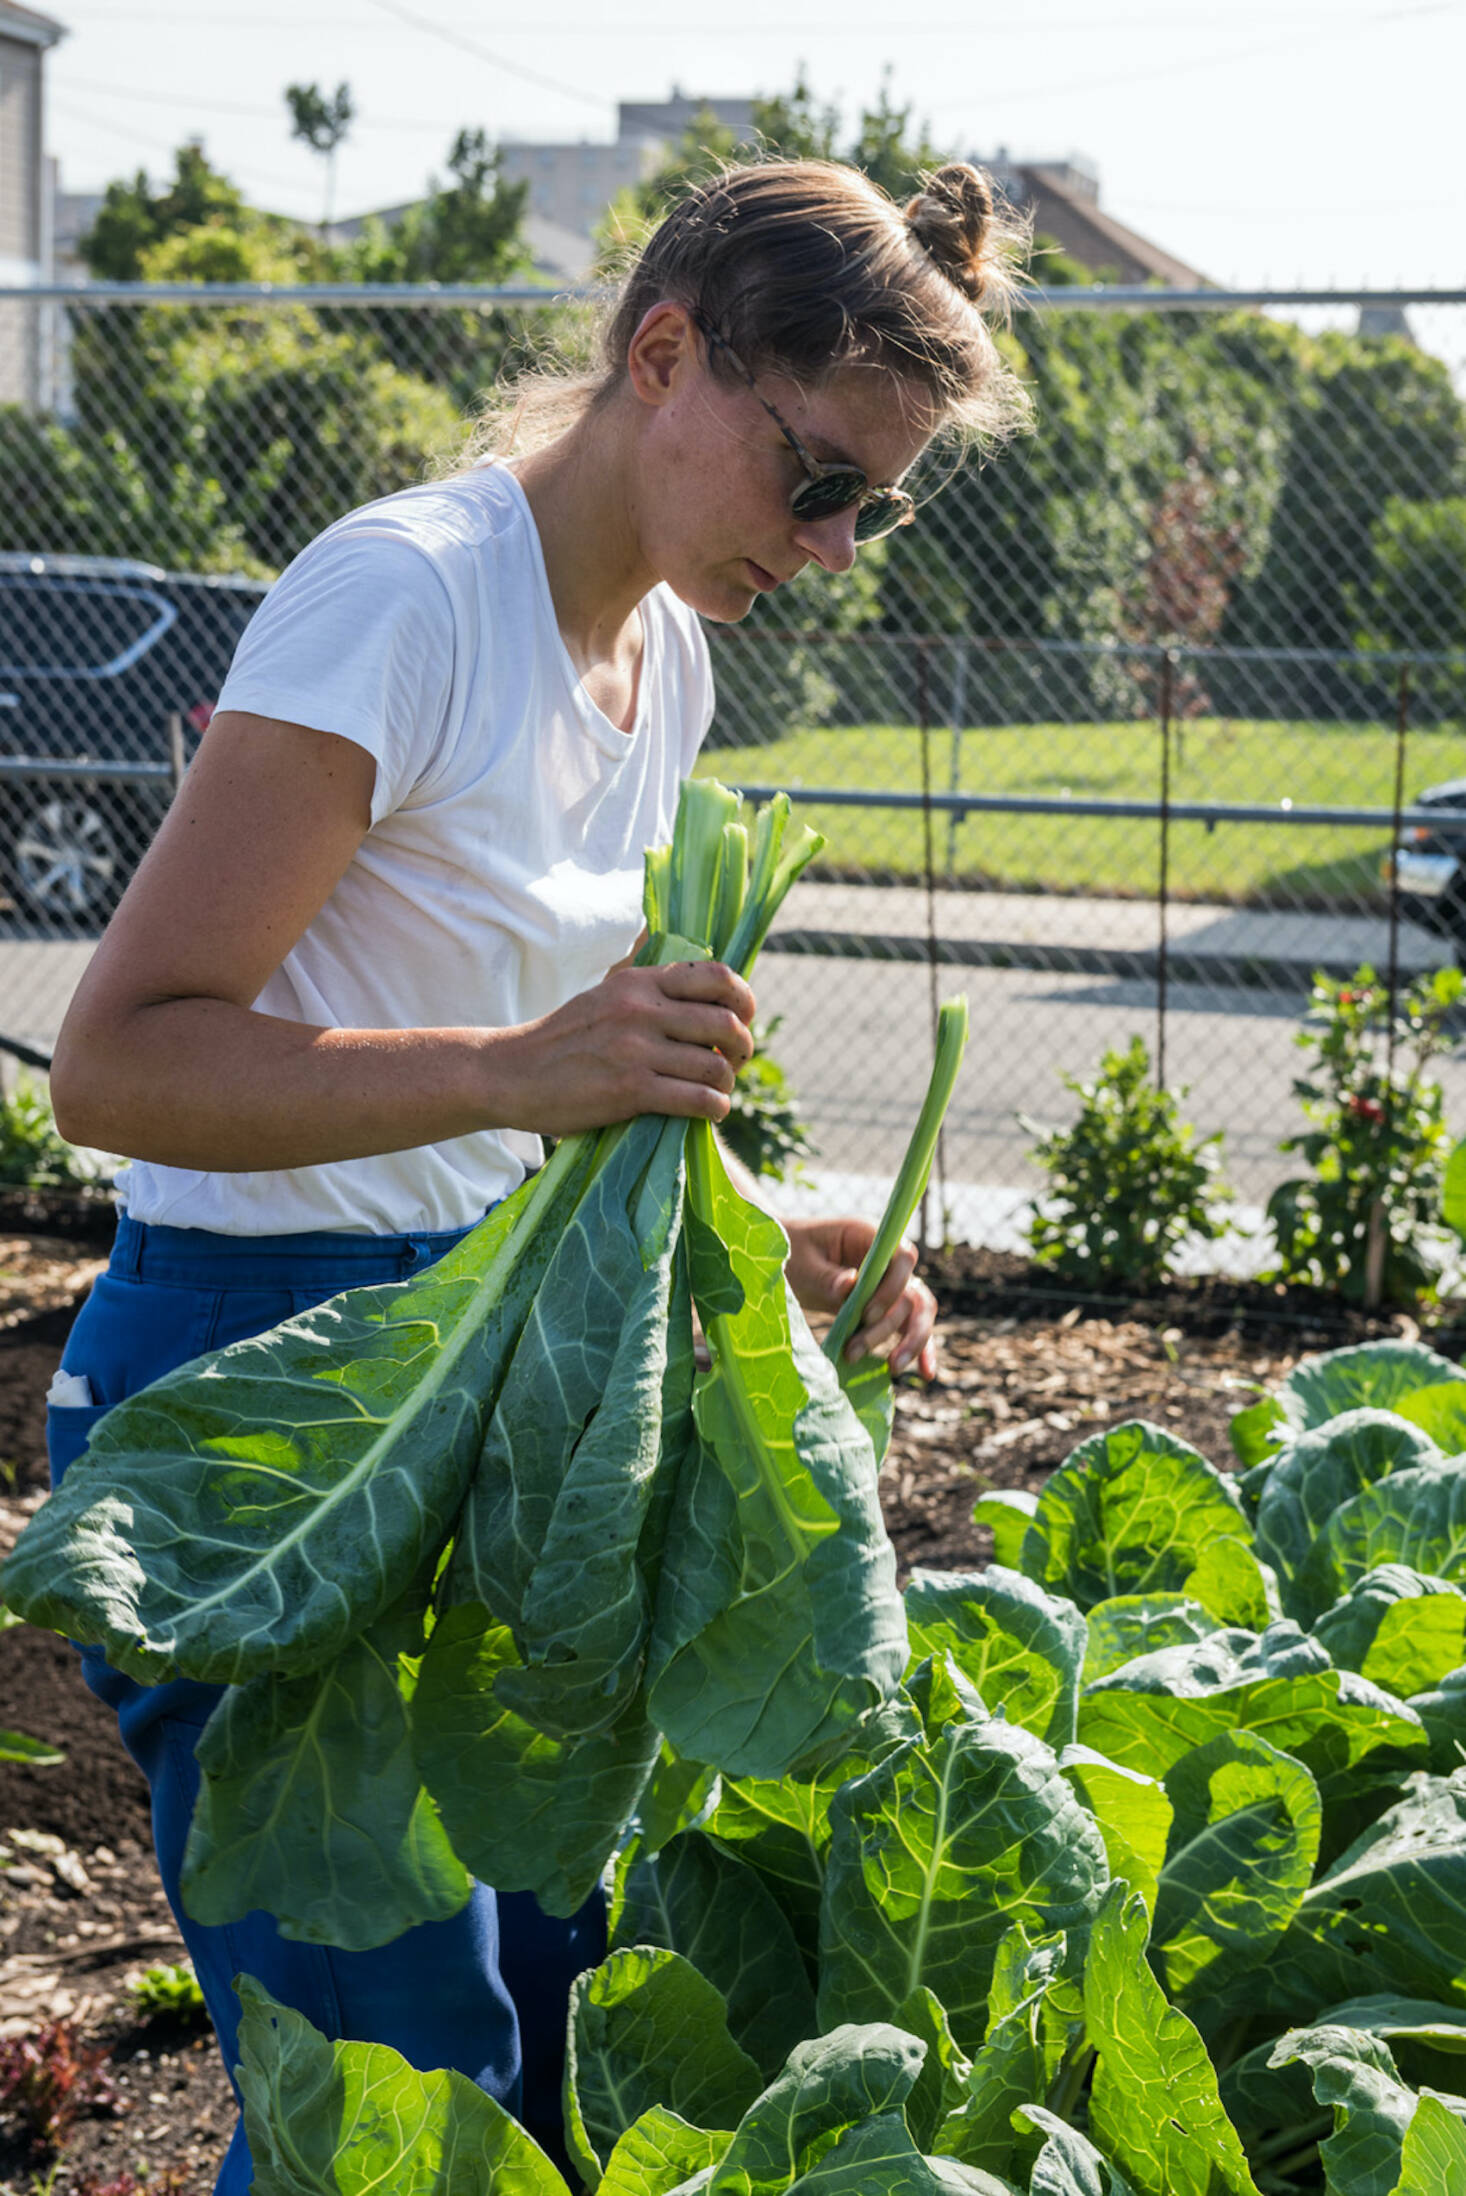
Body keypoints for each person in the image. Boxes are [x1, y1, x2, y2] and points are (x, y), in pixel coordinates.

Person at [44, 154, 1031, 2188]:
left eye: (878, 504)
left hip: (505, 1408)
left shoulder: (662, 655)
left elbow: (555, 1104)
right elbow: (118, 1066)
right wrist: (521, 1061)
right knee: (386, 2099)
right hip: (274, 1406)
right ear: (664, 354)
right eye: (818, 477)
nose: (836, 547)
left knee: (543, 2029)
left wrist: (760, 1222)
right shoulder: (404, 595)